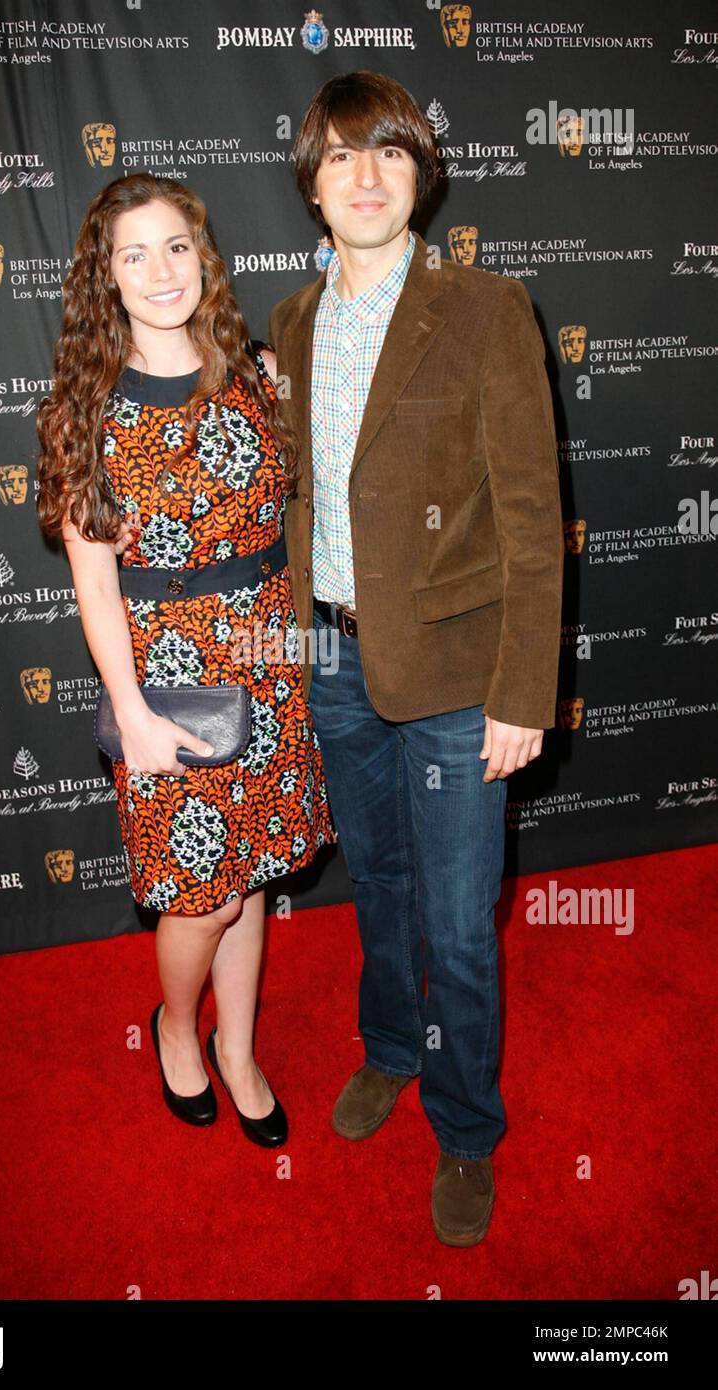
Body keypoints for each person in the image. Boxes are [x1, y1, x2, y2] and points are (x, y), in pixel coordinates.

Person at [268, 71, 564, 1244]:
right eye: (340, 157)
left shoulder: (487, 309)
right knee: (377, 888)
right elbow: (289, 503)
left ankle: (466, 1127)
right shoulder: (291, 324)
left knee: (453, 918)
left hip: (453, 679)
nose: (365, 176)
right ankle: (389, 1048)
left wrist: (518, 691)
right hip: (334, 666)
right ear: (311, 184)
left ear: (419, 172)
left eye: (386, 153)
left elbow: (534, 521)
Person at [36, 172, 336, 1148]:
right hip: (165, 681)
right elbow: (92, 580)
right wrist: (129, 713)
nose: (160, 271)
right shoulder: (87, 403)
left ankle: (239, 1048)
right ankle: (175, 1023)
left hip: (264, 661)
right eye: (134, 255)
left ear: (202, 256)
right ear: (106, 279)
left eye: (175, 247)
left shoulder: (251, 368)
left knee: (247, 881)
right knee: (198, 895)